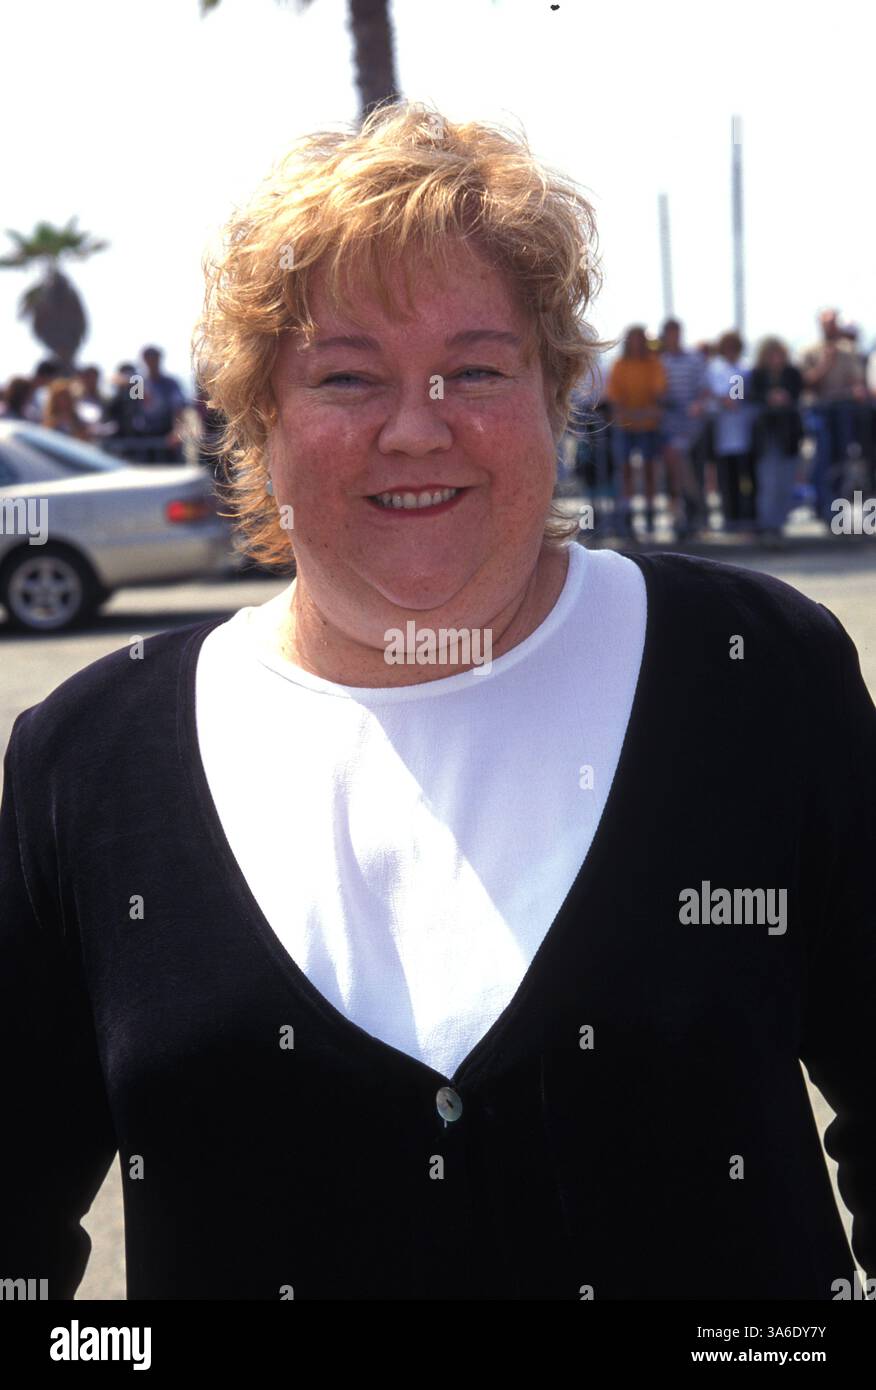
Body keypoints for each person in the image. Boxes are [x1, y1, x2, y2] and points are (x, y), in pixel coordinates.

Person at [2, 100, 874, 1302]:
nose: (417, 428)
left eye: (476, 368)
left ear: (556, 393)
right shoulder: (85, 764)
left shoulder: (758, 670)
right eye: (348, 376)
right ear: (259, 421)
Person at [800, 309, 868, 525]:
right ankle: (822, 508)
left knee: (841, 461)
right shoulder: (809, 351)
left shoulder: (848, 350)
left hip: (844, 411)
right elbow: (806, 383)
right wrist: (825, 364)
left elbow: (857, 381)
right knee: (822, 459)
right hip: (820, 410)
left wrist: (857, 390)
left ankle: (836, 511)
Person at [605, 326, 666, 537]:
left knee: (650, 470)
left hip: (649, 426)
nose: (638, 344)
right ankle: (627, 515)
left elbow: (659, 392)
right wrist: (628, 411)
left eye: (641, 340)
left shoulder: (653, 364)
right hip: (626, 425)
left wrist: (647, 410)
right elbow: (614, 395)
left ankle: (650, 514)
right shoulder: (620, 365)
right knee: (626, 471)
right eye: (634, 340)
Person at [748, 337, 804, 547]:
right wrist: (768, 398)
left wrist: (785, 397)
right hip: (766, 435)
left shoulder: (792, 373)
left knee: (785, 482)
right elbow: (749, 396)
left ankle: (779, 524)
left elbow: (799, 393)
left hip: (789, 435)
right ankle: (767, 526)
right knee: (768, 482)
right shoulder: (756, 375)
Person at [658, 319, 710, 539]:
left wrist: (698, 404)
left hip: (693, 428)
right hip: (668, 428)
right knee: (675, 474)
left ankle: (695, 515)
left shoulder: (694, 360)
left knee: (694, 473)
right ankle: (681, 518)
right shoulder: (659, 362)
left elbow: (704, 389)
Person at [706, 330, 757, 532]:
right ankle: (731, 518)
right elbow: (716, 394)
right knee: (728, 480)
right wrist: (726, 400)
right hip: (724, 435)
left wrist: (733, 399)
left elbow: (743, 395)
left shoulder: (746, 367)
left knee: (747, 480)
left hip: (745, 433)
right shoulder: (715, 368)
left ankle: (748, 518)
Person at [139, 345, 188, 462]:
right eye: (148, 357)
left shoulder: (171, 383)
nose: (151, 361)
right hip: (144, 437)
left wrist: (177, 432)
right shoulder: (139, 383)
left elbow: (178, 408)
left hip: (167, 436)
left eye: (154, 357)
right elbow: (134, 408)